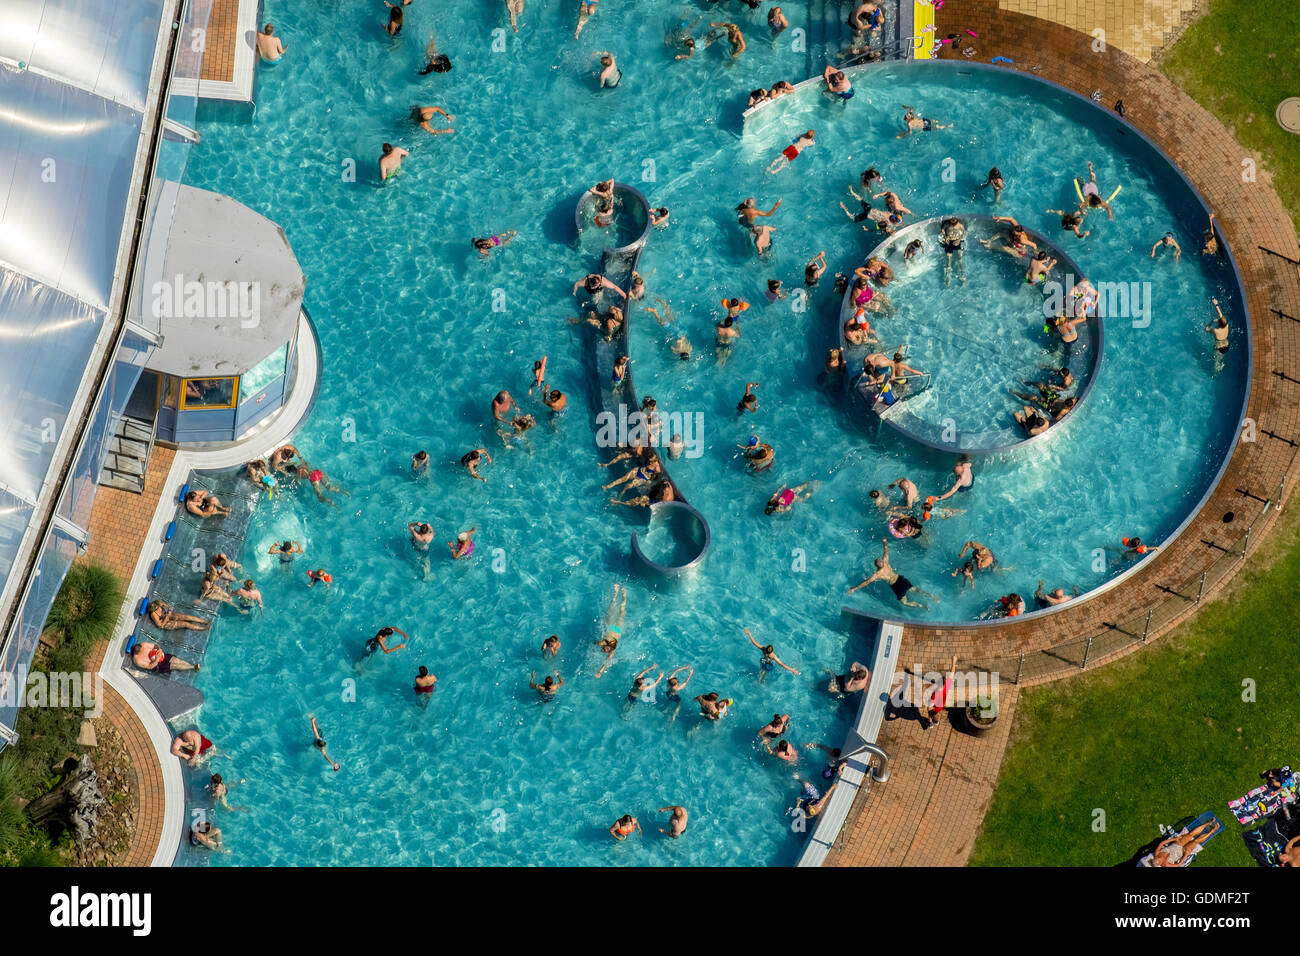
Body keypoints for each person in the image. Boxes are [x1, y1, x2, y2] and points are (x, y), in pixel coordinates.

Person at [848, 538, 939, 609]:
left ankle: (923, 606)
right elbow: (886, 551)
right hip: (900, 579)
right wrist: (884, 542)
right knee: (915, 590)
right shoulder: (885, 563)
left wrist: (854, 588)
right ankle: (932, 596)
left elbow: (866, 582)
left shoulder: (877, 574)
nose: (881, 560)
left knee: (905, 602)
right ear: (880, 563)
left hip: (896, 586)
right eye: (880, 560)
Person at [1150, 818, 1220, 866]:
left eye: (1157, 858)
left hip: (1177, 844)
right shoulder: (1166, 865)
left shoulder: (1157, 853)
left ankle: (1209, 823)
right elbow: (1178, 865)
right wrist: (1186, 855)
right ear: (1159, 864)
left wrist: (1174, 839)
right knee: (1195, 841)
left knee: (1190, 834)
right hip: (1182, 851)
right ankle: (1213, 831)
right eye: (1159, 861)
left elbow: (1162, 843)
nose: (1159, 859)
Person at [595, 584, 627, 678]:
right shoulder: (605, 643)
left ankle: (622, 593)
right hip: (611, 627)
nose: (604, 650)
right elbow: (607, 660)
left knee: (620, 612)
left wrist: (600, 672)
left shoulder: (612, 647)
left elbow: (607, 661)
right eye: (605, 650)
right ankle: (618, 592)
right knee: (614, 609)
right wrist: (600, 672)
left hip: (618, 630)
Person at [921, 656, 958, 729]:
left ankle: (931, 722)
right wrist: (954, 661)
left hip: (936, 707)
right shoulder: (947, 685)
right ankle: (933, 721)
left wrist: (929, 710)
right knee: (934, 713)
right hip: (940, 707)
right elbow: (952, 672)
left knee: (930, 713)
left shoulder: (935, 694)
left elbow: (930, 707)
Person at [133, 641, 198, 674]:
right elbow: (150, 667)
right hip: (157, 665)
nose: (143, 650)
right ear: (136, 653)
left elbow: (156, 646)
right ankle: (193, 667)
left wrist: (159, 650)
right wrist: (157, 659)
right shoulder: (137, 660)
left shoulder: (144, 645)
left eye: (141, 648)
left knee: (177, 660)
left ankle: (192, 666)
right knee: (174, 665)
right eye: (140, 651)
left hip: (161, 655)